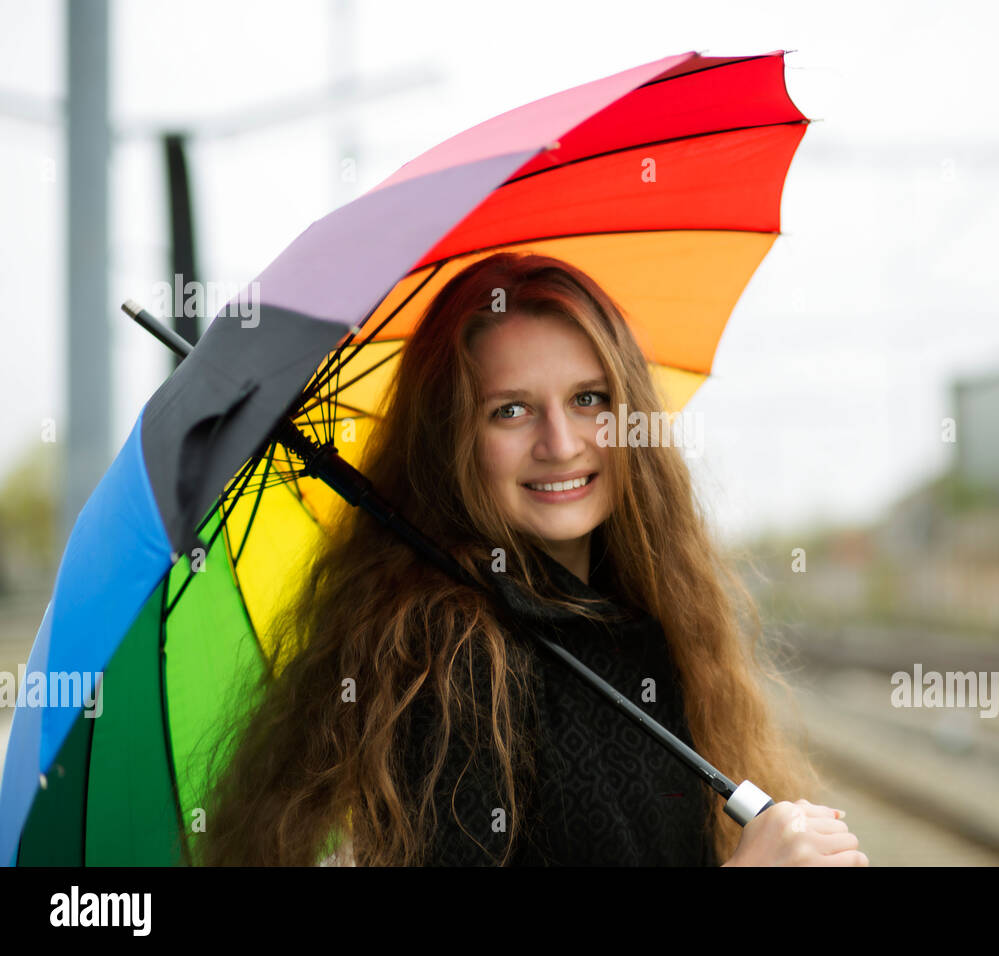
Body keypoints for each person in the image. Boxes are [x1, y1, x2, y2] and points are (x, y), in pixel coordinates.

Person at [193, 251, 870, 867]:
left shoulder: (642, 623)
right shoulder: (449, 657)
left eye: (588, 400)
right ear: (451, 442)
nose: (561, 442)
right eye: (511, 410)